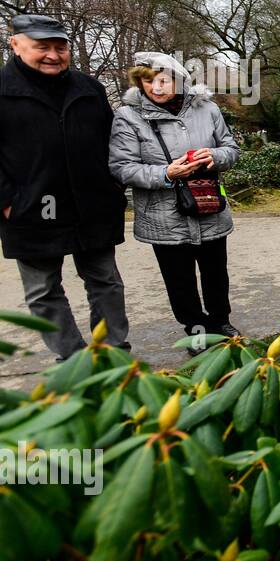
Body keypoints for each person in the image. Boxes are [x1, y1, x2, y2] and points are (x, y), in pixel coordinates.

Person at [0, 14, 130, 360]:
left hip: (92, 204)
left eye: (60, 47)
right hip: (31, 208)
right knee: (43, 290)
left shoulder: (89, 88)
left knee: (106, 282)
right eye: (42, 47)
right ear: (15, 44)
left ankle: (113, 353)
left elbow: (113, 142)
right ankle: (72, 360)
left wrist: (114, 185)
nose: (53, 55)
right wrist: (7, 201)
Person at [108, 53, 241, 354]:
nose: (156, 88)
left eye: (163, 80)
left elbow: (230, 149)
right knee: (179, 280)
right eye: (147, 81)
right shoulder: (128, 116)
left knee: (215, 272)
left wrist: (215, 156)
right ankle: (195, 329)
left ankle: (220, 322)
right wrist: (165, 173)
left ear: (179, 79)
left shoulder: (206, 108)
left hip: (208, 206)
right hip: (163, 215)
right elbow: (121, 167)